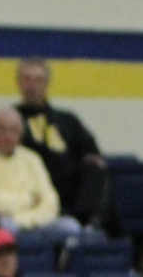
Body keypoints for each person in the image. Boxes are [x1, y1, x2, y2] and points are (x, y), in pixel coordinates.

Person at [13, 59, 107, 229]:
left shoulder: (67, 120)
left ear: (47, 84)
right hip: (33, 186)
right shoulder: (11, 121)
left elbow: (91, 151)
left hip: (69, 189)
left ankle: (89, 224)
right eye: (27, 79)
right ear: (19, 84)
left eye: (38, 80)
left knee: (96, 170)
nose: (32, 85)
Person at [0, 108, 66, 233]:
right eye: (2, 129)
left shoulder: (31, 158)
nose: (8, 135)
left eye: (14, 130)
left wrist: (27, 220)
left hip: (35, 220)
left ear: (21, 135)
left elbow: (50, 200)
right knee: (7, 227)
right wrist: (29, 200)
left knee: (70, 226)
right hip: (2, 221)